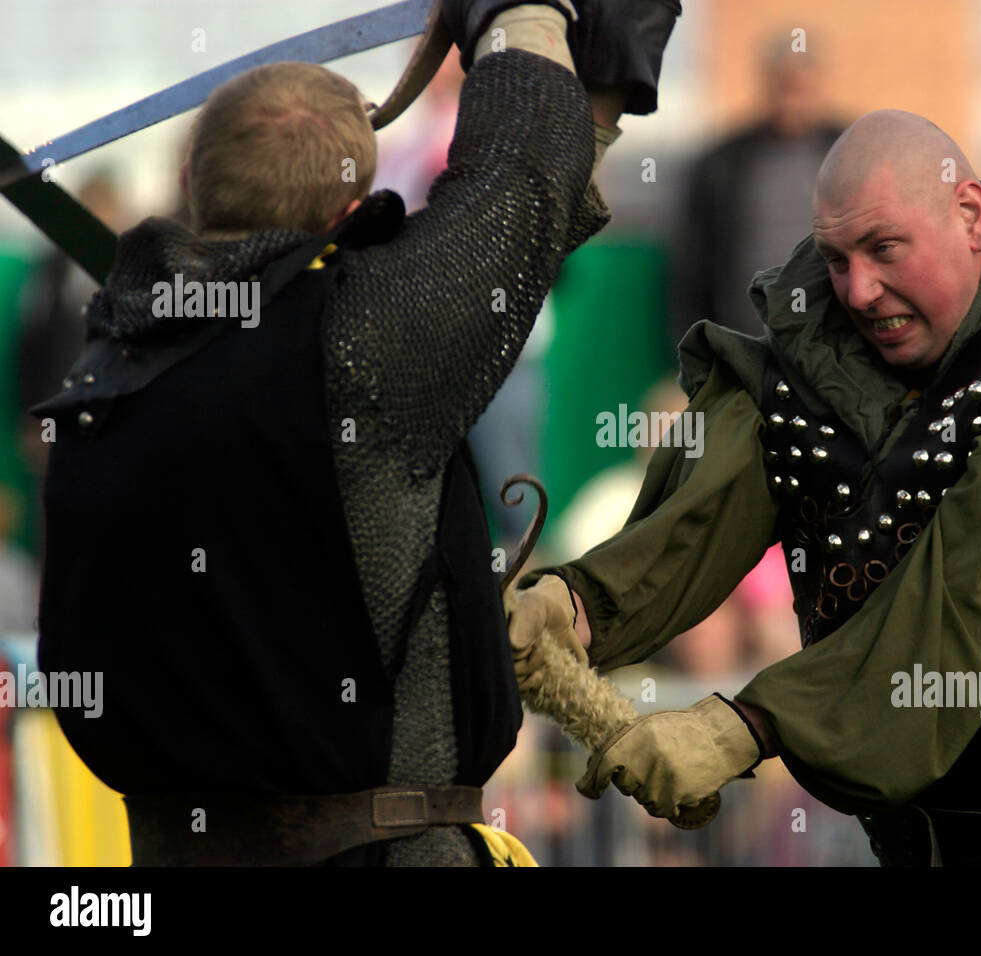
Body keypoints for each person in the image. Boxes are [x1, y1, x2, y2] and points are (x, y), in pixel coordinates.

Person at [509, 109, 981, 866]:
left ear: (970, 215)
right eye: (837, 259)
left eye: (884, 249)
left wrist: (743, 727)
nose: (861, 289)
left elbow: (962, 605)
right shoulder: (813, 369)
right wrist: (572, 606)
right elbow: (696, 519)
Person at [33, 0, 679, 866]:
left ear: (191, 177)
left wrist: (577, 89)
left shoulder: (112, 356)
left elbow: (520, 213)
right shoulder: (358, 344)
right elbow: (518, 182)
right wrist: (529, 17)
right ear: (350, 203)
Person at [670, 36, 842, 343]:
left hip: (833, 335)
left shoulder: (848, 154)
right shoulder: (724, 163)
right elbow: (691, 267)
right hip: (748, 339)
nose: (792, 100)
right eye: (785, 87)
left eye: (800, 88)